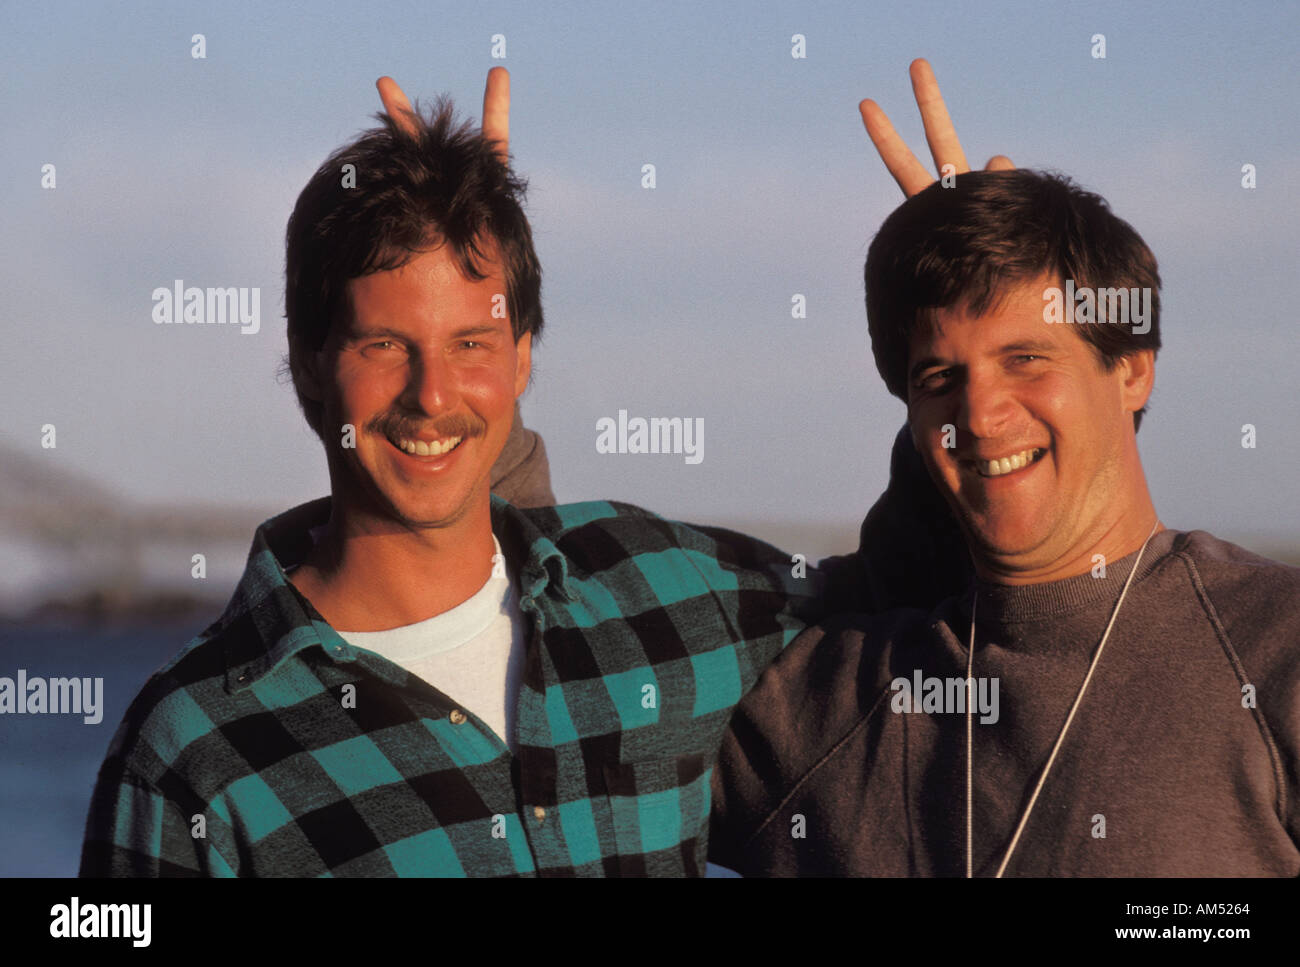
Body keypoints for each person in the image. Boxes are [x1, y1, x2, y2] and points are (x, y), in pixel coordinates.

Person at [79, 70, 814, 877]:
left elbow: (907, 610)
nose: (431, 396)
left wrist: (961, 282)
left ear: (523, 355)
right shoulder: (193, 754)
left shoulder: (655, 593)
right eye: (385, 344)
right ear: (309, 362)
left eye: (471, 342)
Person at [710, 62, 1300, 877]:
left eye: (1027, 357)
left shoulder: (1276, 651)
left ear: (1131, 368)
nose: (982, 415)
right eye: (940, 379)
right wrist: (483, 357)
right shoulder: (820, 700)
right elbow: (533, 652)